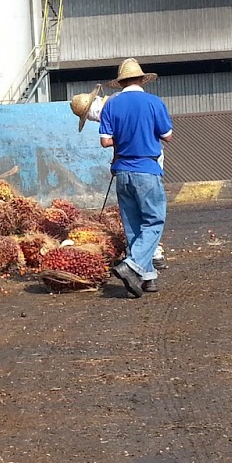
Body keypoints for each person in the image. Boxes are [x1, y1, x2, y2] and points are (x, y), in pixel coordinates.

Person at [95, 58, 173, 298]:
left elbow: (106, 141)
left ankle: (147, 278)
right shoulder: (154, 103)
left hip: (122, 171)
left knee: (133, 225)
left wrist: (125, 138)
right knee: (153, 222)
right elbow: (167, 136)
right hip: (146, 170)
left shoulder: (111, 106)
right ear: (142, 79)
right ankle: (131, 265)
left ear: (120, 83)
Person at [70, 87, 167, 269]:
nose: (92, 119)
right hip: (142, 161)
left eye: (89, 116)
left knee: (143, 216)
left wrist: (125, 143)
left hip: (141, 163)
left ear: (92, 107)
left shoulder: (109, 108)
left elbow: (109, 141)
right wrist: (116, 159)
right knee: (145, 214)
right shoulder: (120, 102)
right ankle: (145, 263)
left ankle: (140, 259)